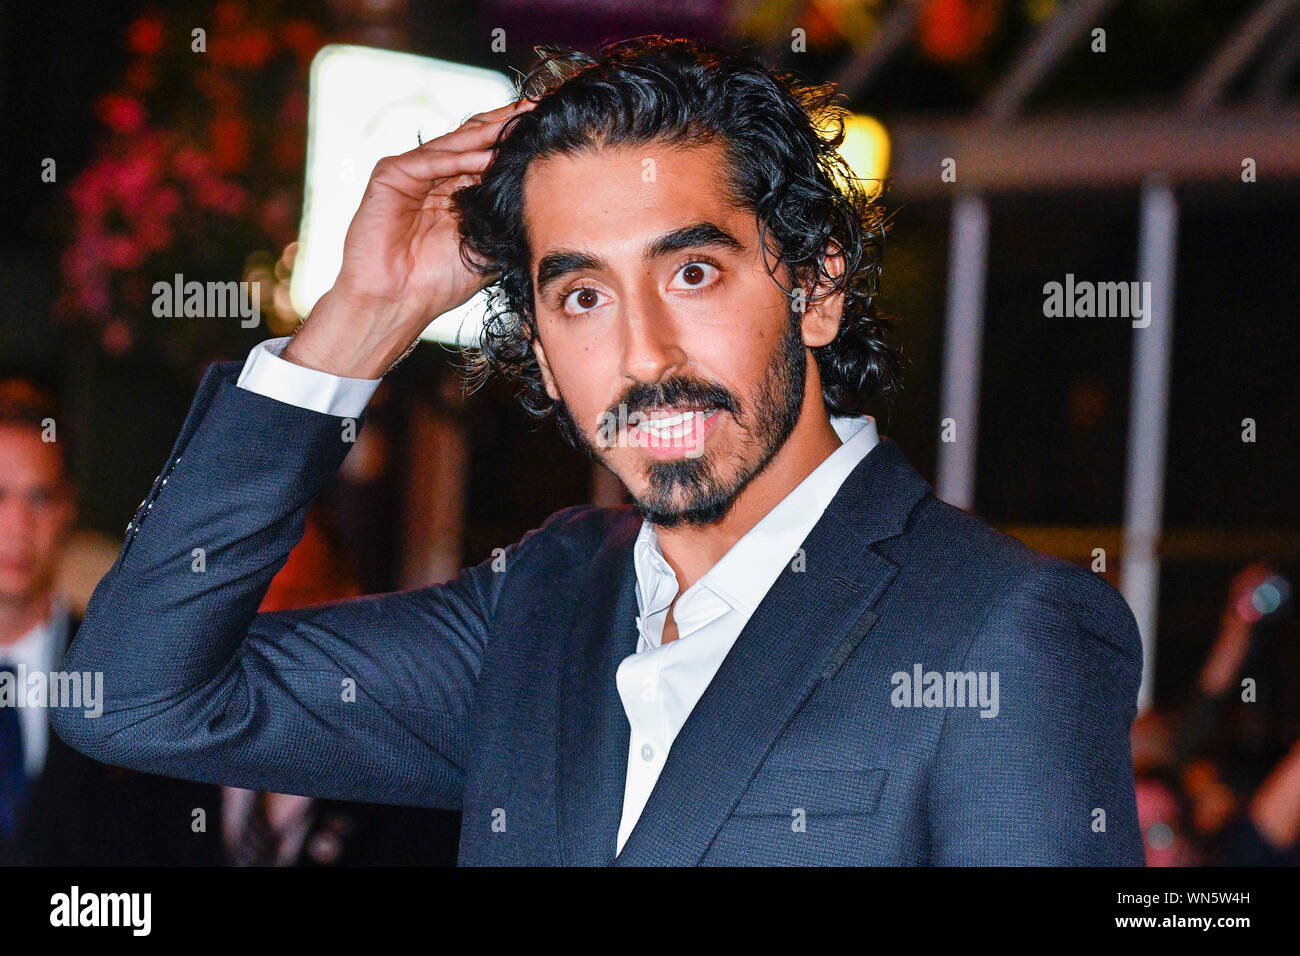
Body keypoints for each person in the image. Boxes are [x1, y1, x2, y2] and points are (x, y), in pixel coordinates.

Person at [52, 37, 1144, 865]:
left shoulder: (1001, 626)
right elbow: (135, 693)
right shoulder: (535, 603)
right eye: (581, 295)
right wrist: (360, 316)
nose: (642, 353)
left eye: (693, 273)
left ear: (812, 288)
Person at [0, 379, 221, 865]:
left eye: (39, 498)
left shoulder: (137, 683)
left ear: (68, 509)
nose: (17, 526)